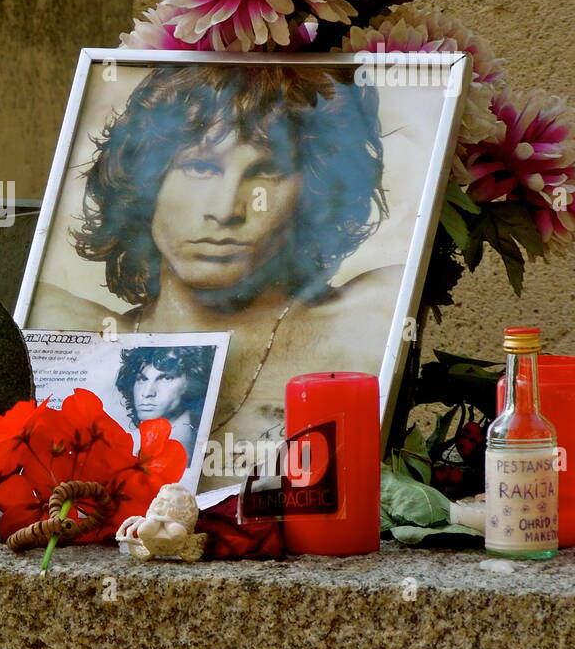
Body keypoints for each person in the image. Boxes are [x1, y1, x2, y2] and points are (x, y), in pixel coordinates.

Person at [31, 65, 394, 487]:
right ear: (145, 184)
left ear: (312, 192)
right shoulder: (59, 324)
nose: (225, 210)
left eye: (266, 171)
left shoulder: (371, 317)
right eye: (201, 167)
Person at [115, 345, 214, 462]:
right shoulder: (158, 444)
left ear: (193, 383)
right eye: (142, 379)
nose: (147, 393)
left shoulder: (180, 450)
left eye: (166, 378)